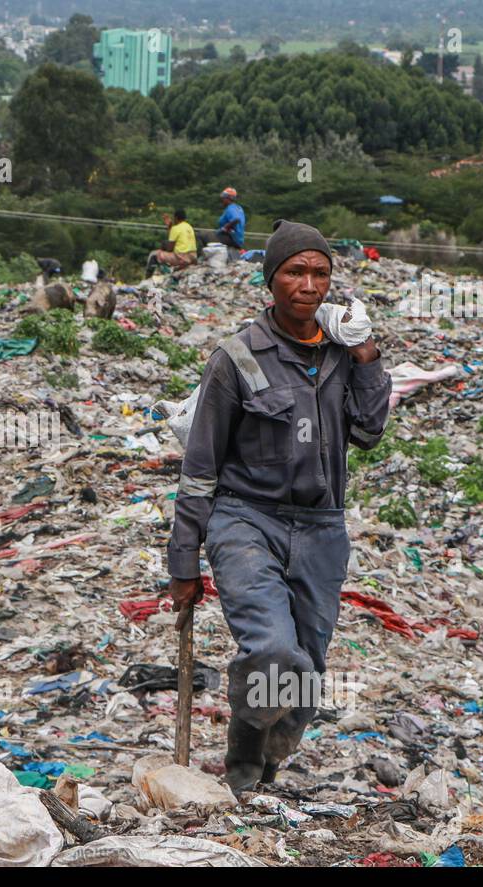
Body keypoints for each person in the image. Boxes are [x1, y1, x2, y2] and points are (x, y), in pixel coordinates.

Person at [166, 220, 392, 792]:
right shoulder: (237, 358)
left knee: (307, 671)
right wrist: (184, 564)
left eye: (320, 273)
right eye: (296, 271)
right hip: (247, 520)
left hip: (321, 527)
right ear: (272, 281)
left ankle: (266, 765)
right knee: (271, 649)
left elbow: (368, 432)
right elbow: (199, 469)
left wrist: (367, 356)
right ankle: (243, 760)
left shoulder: (343, 353)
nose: (309, 284)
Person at [145, 209, 198, 276]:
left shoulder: (176, 228)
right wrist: (170, 227)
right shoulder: (189, 227)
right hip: (193, 257)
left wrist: (163, 247)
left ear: (176, 218)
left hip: (181, 258)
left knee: (154, 255)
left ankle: (147, 277)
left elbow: (170, 248)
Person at [215, 187, 246, 260]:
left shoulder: (231, 208)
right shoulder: (238, 208)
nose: (222, 200)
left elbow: (236, 219)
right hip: (238, 239)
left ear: (228, 199)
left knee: (205, 237)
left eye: (223, 198)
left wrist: (225, 228)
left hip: (232, 238)